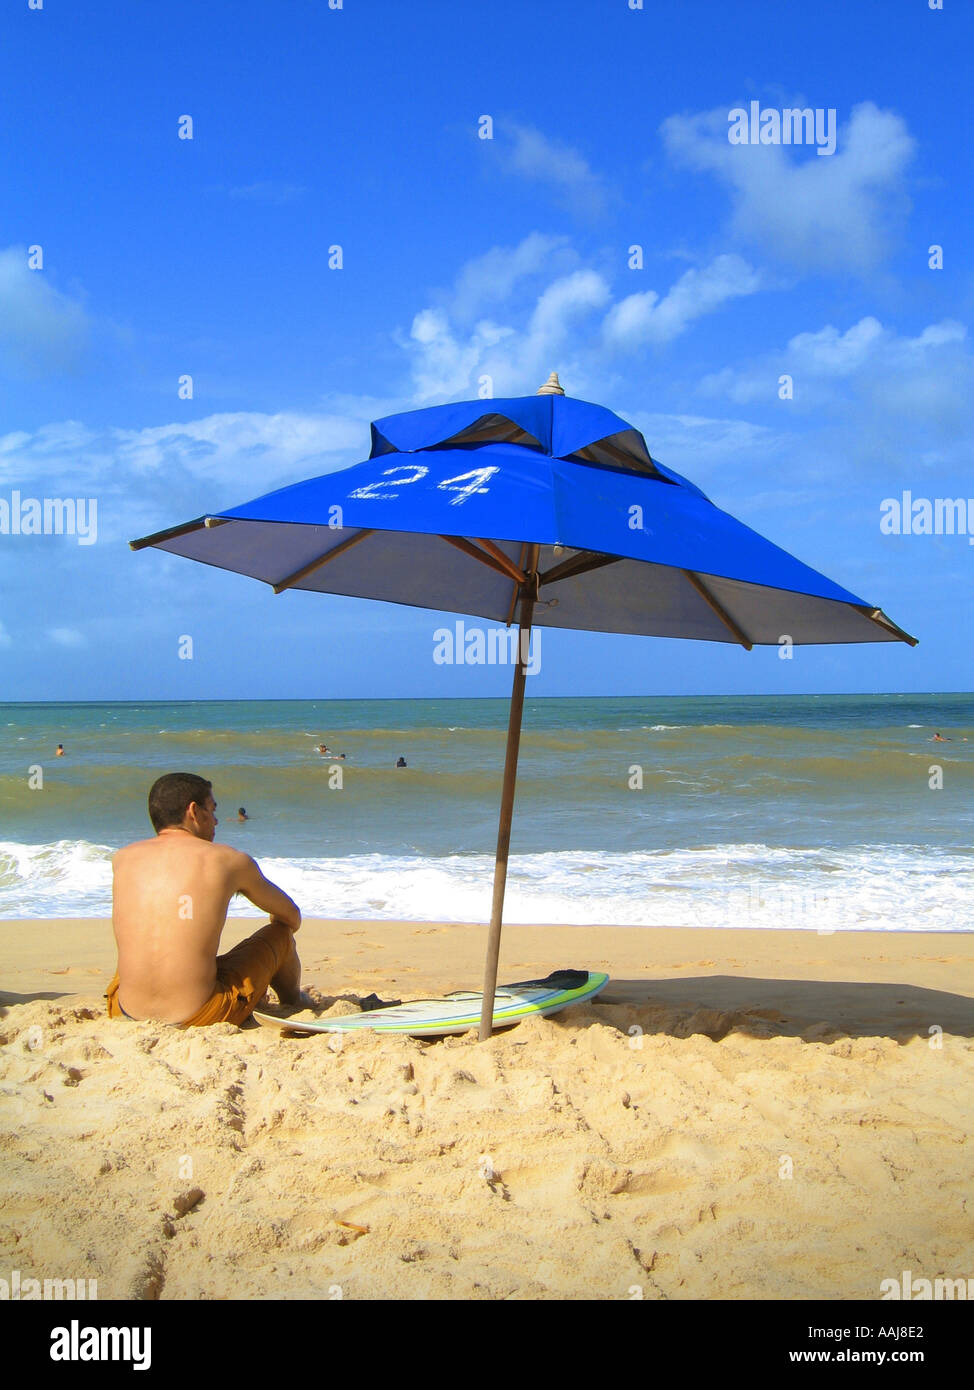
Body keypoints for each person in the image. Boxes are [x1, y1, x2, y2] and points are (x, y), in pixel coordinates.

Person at [106, 772, 305, 1027]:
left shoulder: (123, 859)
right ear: (193, 811)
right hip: (201, 1014)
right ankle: (295, 1001)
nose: (216, 821)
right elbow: (291, 916)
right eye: (212, 809)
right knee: (282, 935)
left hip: (122, 1009)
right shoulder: (227, 860)